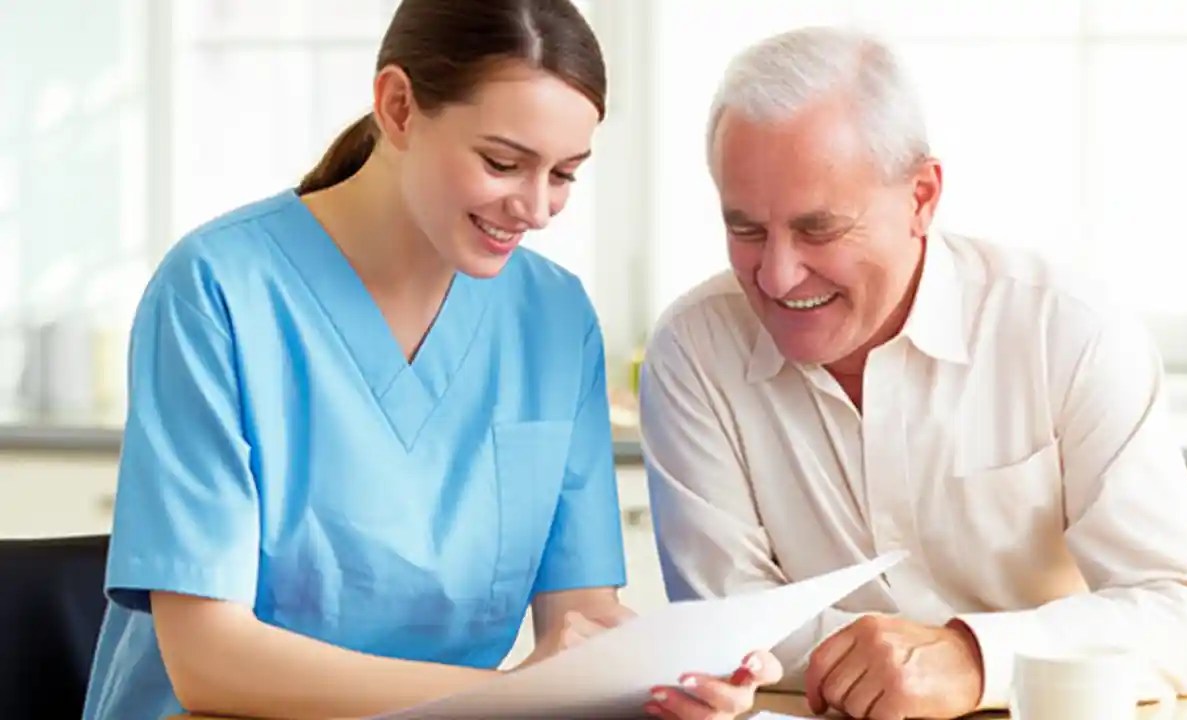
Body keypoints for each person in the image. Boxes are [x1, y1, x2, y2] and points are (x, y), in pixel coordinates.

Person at [81, 2, 781, 718]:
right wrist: (514, 696)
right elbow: (209, 662)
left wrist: (665, 682)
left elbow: (582, 622)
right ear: (398, 107)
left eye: (565, 174)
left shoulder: (554, 318)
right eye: (503, 163)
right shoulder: (217, 290)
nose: (537, 209)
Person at [640, 25, 1187, 720]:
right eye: (746, 230)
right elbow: (727, 623)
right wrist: (887, 662)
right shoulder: (694, 350)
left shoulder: (1065, 329)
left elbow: (1184, 616)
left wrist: (972, 657)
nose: (776, 274)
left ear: (922, 197)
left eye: (819, 229)